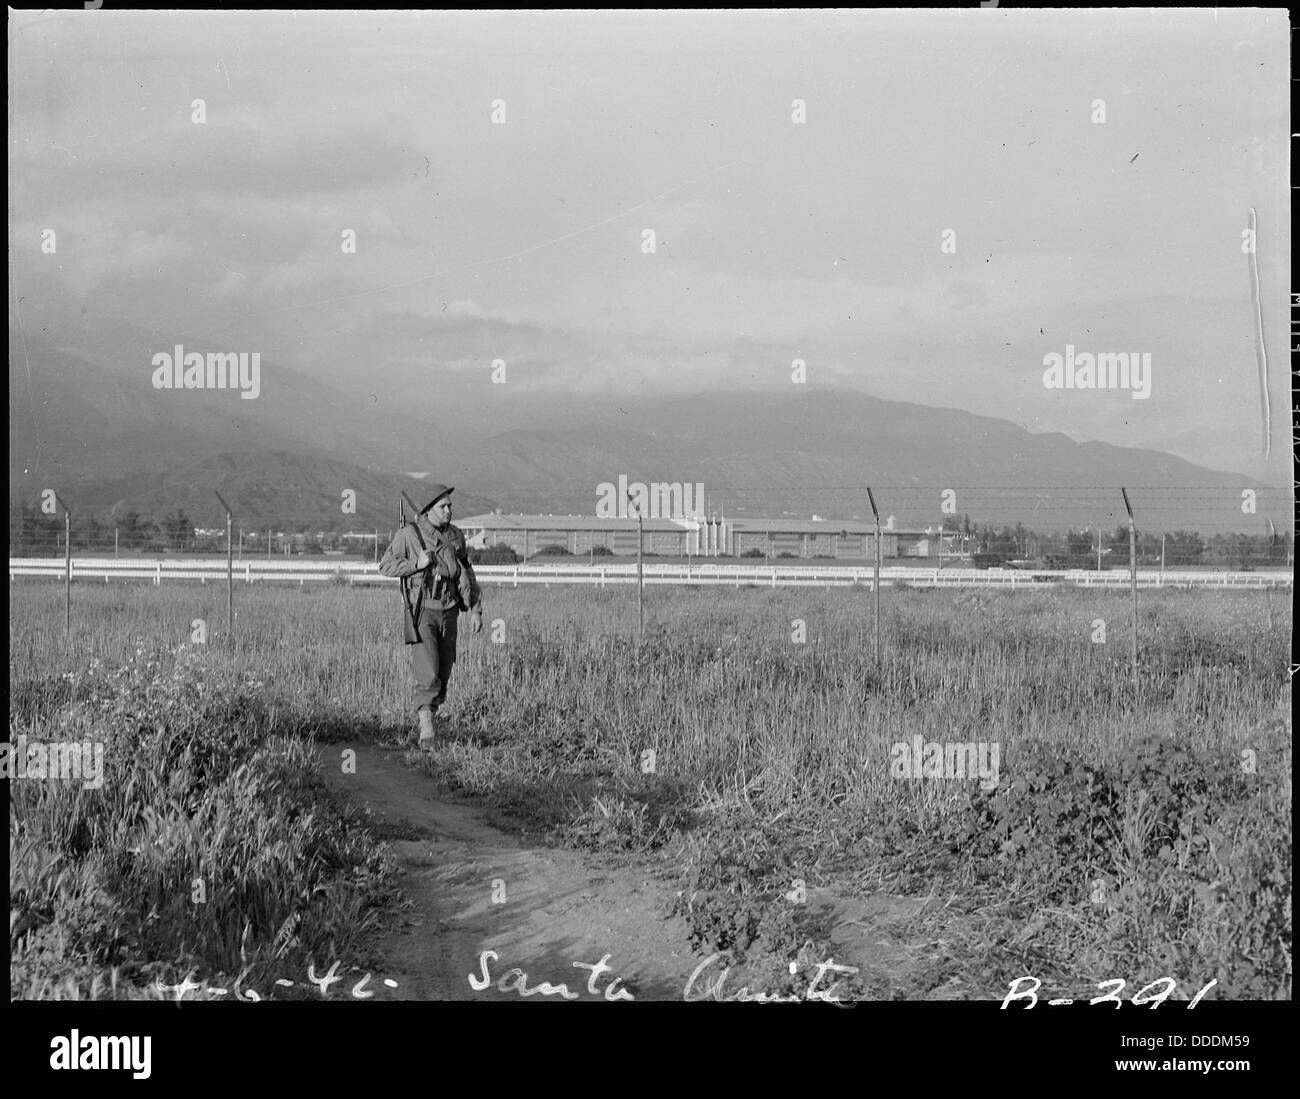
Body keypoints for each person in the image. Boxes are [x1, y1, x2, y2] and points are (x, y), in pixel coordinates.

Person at [379, 484, 482, 748]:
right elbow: (385, 565)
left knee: (444, 672)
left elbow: (468, 574)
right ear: (428, 510)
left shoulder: (456, 536)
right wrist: (416, 565)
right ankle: (427, 731)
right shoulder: (409, 535)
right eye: (443, 506)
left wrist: (474, 610)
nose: (449, 510)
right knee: (428, 670)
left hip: (449, 611)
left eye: (450, 506)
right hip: (423, 610)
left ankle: (429, 719)